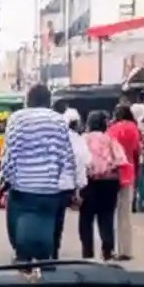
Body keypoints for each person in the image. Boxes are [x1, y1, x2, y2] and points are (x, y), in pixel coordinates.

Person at [0, 83, 77, 265]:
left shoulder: (17, 119)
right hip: (51, 192)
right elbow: (67, 157)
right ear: (49, 102)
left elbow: (9, 155)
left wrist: (2, 182)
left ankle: (22, 261)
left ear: (27, 101)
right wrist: (70, 190)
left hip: (22, 190)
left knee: (19, 243)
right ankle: (46, 263)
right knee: (49, 235)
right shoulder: (59, 121)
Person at [78, 110, 126, 261]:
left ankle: (87, 251)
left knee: (86, 217)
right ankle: (107, 249)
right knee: (106, 216)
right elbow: (121, 159)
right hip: (109, 182)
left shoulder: (83, 139)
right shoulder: (110, 139)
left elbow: (78, 160)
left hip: (88, 182)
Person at [52, 108, 90, 260]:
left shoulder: (55, 137)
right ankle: (54, 251)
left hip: (49, 185)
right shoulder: (78, 140)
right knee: (58, 221)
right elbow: (83, 164)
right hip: (66, 188)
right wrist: (79, 188)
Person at [107, 105, 142, 261]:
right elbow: (136, 153)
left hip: (112, 174)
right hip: (128, 173)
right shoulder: (134, 129)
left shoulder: (111, 130)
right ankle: (125, 250)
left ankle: (108, 248)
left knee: (108, 214)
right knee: (125, 215)